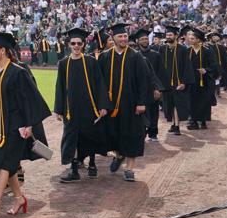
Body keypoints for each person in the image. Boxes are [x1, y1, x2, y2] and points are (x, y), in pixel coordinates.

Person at [0, 31, 51, 218]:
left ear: (3, 51)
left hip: (15, 127)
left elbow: (30, 99)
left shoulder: (18, 72)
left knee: (4, 163)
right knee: (8, 165)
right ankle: (19, 198)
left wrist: (29, 124)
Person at [53, 28, 109, 183]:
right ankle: (74, 169)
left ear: (84, 44)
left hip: (88, 107)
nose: (76, 46)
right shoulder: (64, 63)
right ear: (69, 45)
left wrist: (102, 105)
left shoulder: (90, 61)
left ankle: (92, 164)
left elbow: (99, 84)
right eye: (73, 43)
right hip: (71, 109)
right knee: (72, 138)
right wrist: (58, 109)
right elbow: (60, 87)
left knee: (89, 136)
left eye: (79, 43)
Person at [97, 24, 152, 182]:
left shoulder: (136, 56)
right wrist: (102, 103)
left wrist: (141, 103)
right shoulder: (105, 57)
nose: (123, 39)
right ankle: (119, 155)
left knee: (133, 135)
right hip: (112, 105)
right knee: (113, 134)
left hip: (131, 105)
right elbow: (100, 82)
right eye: (120, 36)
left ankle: (129, 168)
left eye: (125, 36)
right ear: (113, 38)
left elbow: (144, 81)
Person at [159, 25, 193, 136]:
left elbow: (187, 67)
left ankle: (177, 126)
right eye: (167, 35)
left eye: (170, 35)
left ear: (176, 36)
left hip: (178, 82)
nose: (168, 36)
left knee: (177, 104)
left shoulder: (182, 49)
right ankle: (174, 123)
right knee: (169, 105)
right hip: (166, 83)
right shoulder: (162, 49)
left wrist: (183, 82)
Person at [132, 29, 164, 142]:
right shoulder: (135, 55)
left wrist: (158, 88)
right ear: (138, 41)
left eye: (146, 38)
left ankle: (153, 133)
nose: (144, 41)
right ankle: (142, 133)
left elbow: (160, 73)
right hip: (140, 89)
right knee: (142, 113)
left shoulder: (156, 55)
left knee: (153, 112)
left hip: (152, 88)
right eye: (142, 39)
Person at [185, 27, 218, 130]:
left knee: (204, 101)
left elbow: (214, 65)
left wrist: (206, 70)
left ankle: (203, 121)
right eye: (189, 38)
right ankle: (194, 121)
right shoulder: (187, 51)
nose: (190, 40)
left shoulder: (207, 51)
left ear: (198, 39)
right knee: (192, 100)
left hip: (205, 81)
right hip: (192, 81)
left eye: (192, 38)